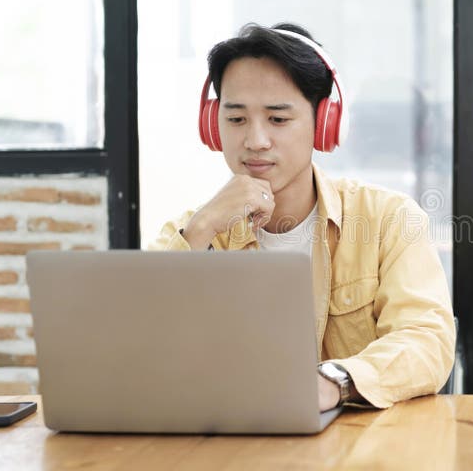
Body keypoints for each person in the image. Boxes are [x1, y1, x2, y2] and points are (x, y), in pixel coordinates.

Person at [149, 22, 455, 410]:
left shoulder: (388, 219)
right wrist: (204, 227)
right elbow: (138, 344)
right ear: (213, 125)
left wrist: (333, 382)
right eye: (236, 119)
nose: (255, 141)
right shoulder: (192, 231)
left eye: (278, 119)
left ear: (325, 123)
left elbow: (427, 340)